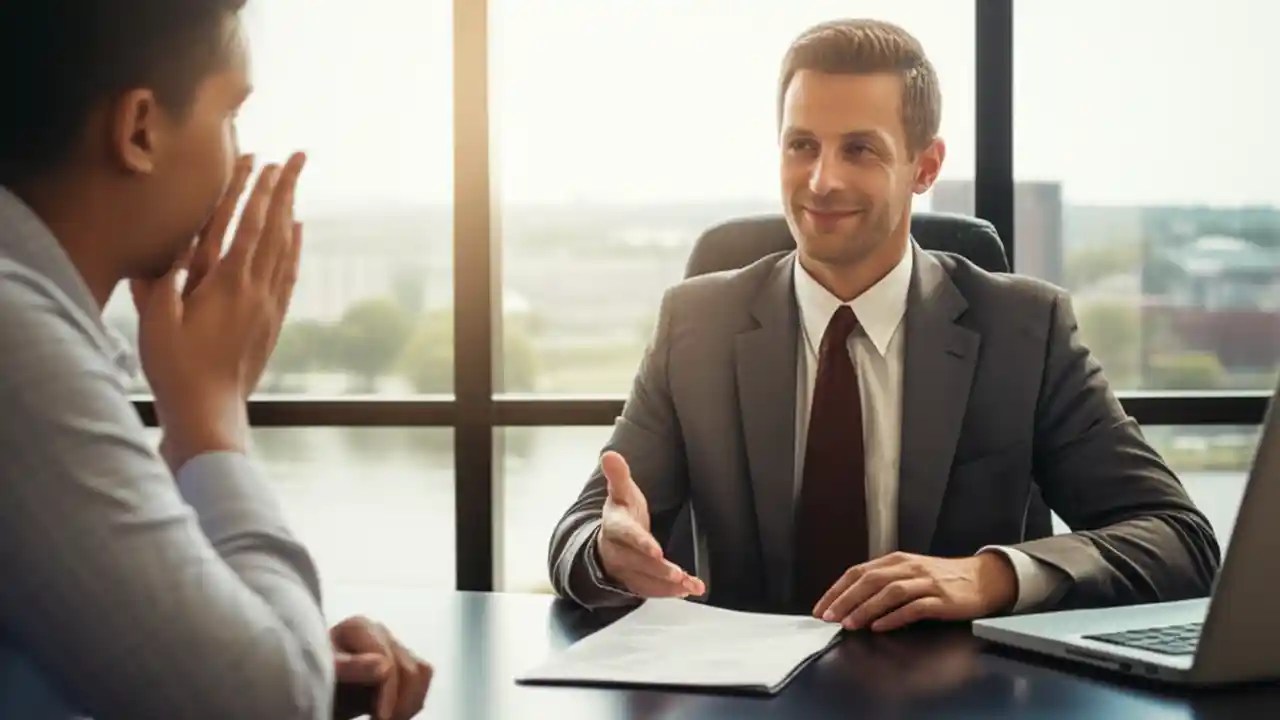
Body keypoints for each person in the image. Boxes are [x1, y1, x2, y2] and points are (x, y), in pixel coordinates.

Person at [548, 18, 1221, 630]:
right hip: (743, 702)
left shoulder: (1025, 331)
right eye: (801, 145)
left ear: (924, 166)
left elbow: (1180, 539)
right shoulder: (697, 325)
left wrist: (990, 574)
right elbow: (582, 531)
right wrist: (606, 552)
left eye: (859, 150)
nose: (820, 181)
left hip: (960, 701)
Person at [0, 2, 429, 718]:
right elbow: (264, 709)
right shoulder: (15, 340)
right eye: (230, 116)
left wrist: (255, 638)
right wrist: (210, 417)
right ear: (139, 129)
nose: (237, 157)